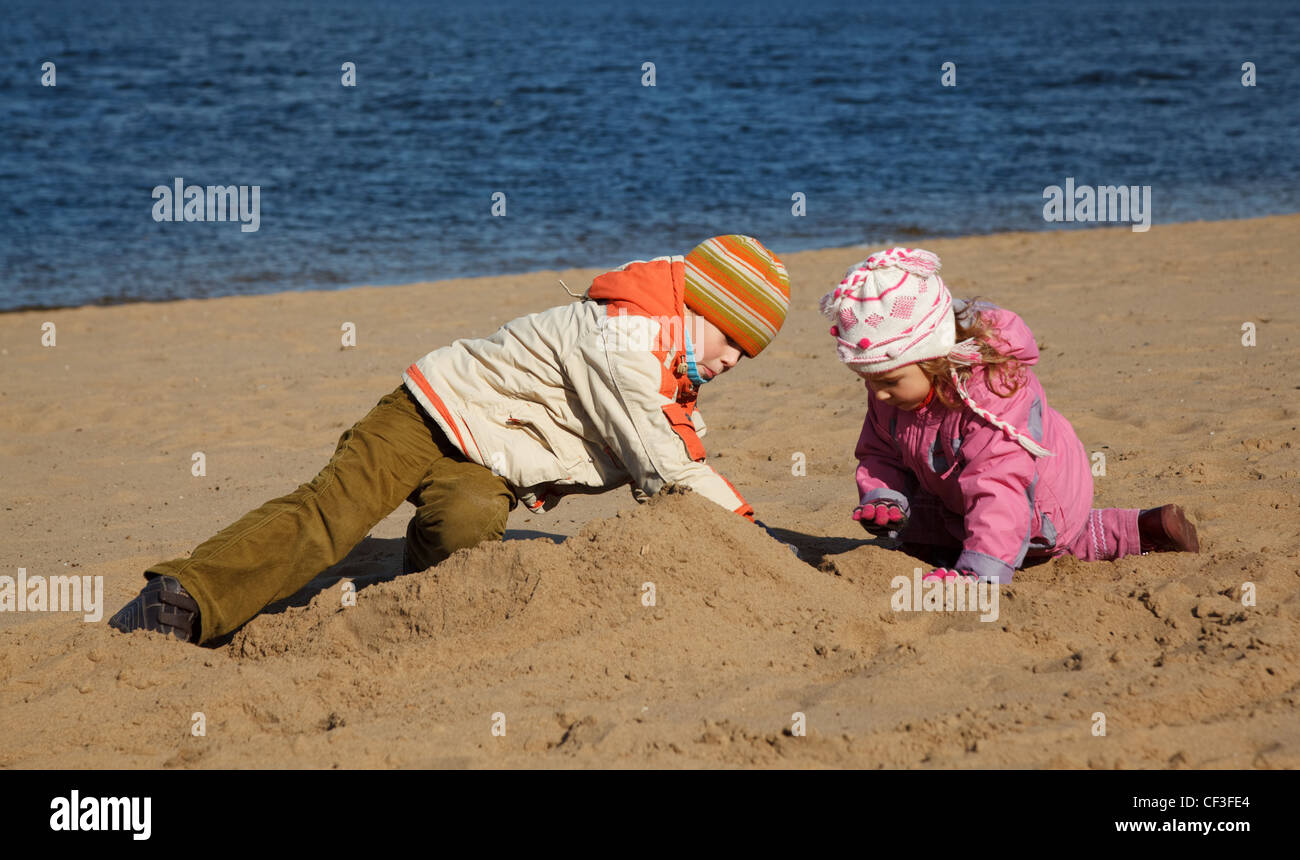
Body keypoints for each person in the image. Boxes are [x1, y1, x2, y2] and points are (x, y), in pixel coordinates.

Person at [108, 235, 791, 644]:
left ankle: (414, 589)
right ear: (700, 307)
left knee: (468, 519)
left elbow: (672, 439)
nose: (733, 360)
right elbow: (663, 463)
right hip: (426, 412)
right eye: (733, 341)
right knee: (330, 516)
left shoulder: (668, 365)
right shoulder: (626, 338)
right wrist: (753, 539)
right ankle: (182, 599)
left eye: (746, 356)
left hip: (487, 456)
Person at [821, 246, 1198, 583]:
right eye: (867, 380)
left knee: (1047, 543)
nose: (879, 392)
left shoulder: (990, 395)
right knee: (919, 534)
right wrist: (883, 496)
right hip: (952, 486)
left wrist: (980, 571)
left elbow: (998, 487)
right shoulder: (893, 393)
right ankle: (1145, 526)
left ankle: (1133, 532)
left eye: (890, 380)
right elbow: (880, 453)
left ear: (934, 357)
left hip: (1038, 494)